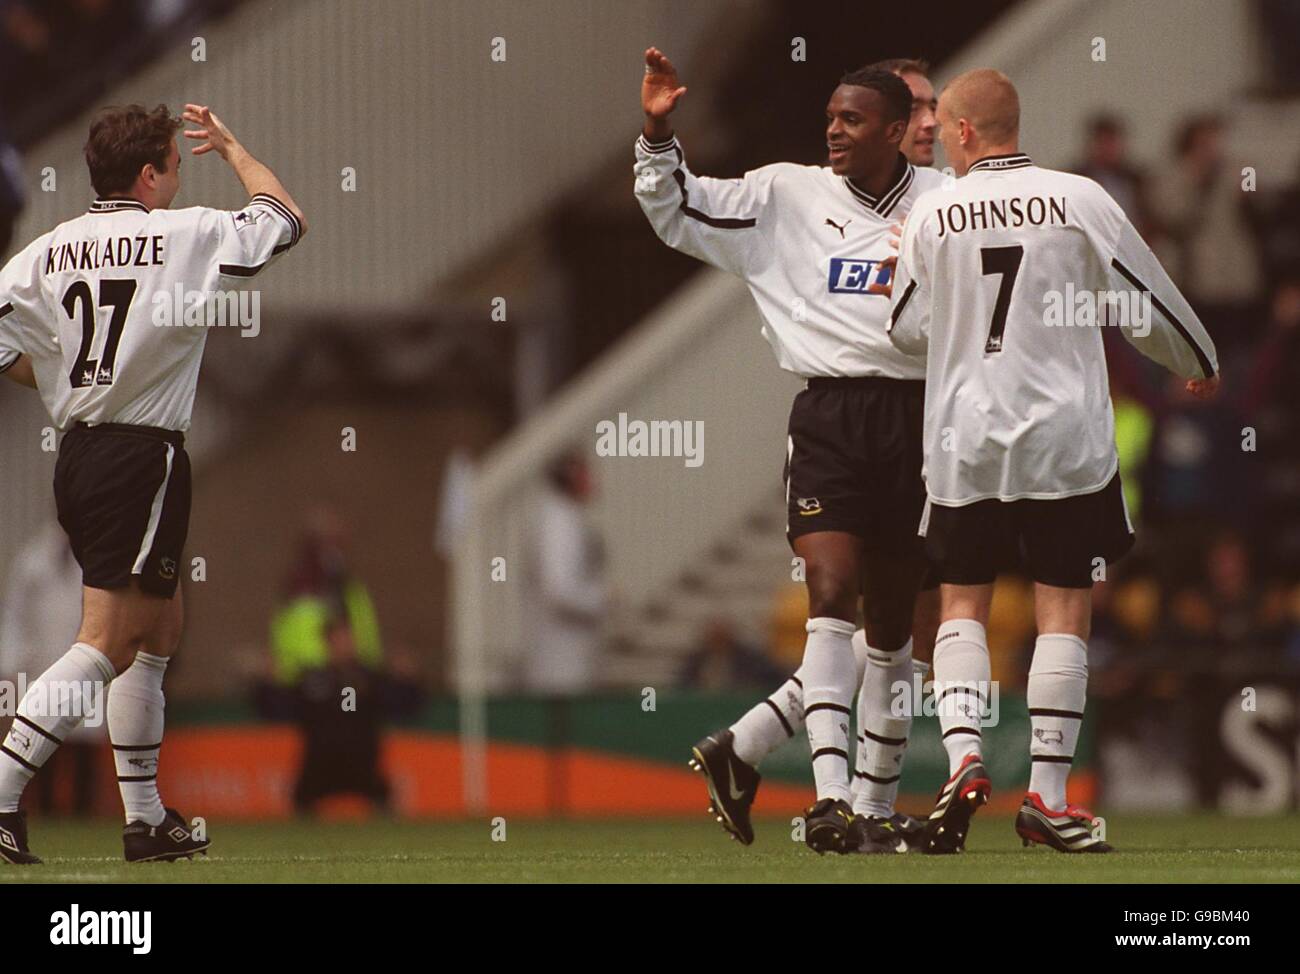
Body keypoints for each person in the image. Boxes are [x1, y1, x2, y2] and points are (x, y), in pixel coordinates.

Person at [888, 68, 1219, 853]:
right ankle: (1048, 798)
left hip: (967, 438)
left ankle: (964, 757)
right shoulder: (1080, 198)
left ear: (964, 132)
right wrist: (1195, 355)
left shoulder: (934, 213)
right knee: (1063, 611)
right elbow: (1146, 299)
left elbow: (904, 331)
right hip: (1063, 440)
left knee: (961, 605)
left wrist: (918, 266)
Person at [637, 48, 944, 854]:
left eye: (851, 120)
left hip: (921, 418)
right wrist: (658, 134)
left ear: (895, 130)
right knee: (830, 587)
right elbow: (677, 209)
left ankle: (871, 810)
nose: (834, 132)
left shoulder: (947, 206)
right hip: (831, 418)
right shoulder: (785, 193)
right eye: (831, 119)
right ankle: (831, 800)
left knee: (894, 630)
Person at [0, 102, 305, 863]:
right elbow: (284, 216)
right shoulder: (184, 233)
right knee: (107, 642)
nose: (179, 174)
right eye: (174, 160)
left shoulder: (48, 250)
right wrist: (235, 148)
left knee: (158, 633)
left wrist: (61, 384)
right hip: (140, 455)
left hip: (81, 454)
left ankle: (145, 819)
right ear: (149, 174)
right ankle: (2, 794)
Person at [524, 451, 608, 694]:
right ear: (571, 478)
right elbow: (559, 590)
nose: (594, 479)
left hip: (573, 656)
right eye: (587, 472)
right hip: (561, 659)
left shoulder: (567, 518)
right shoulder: (556, 523)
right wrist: (603, 598)